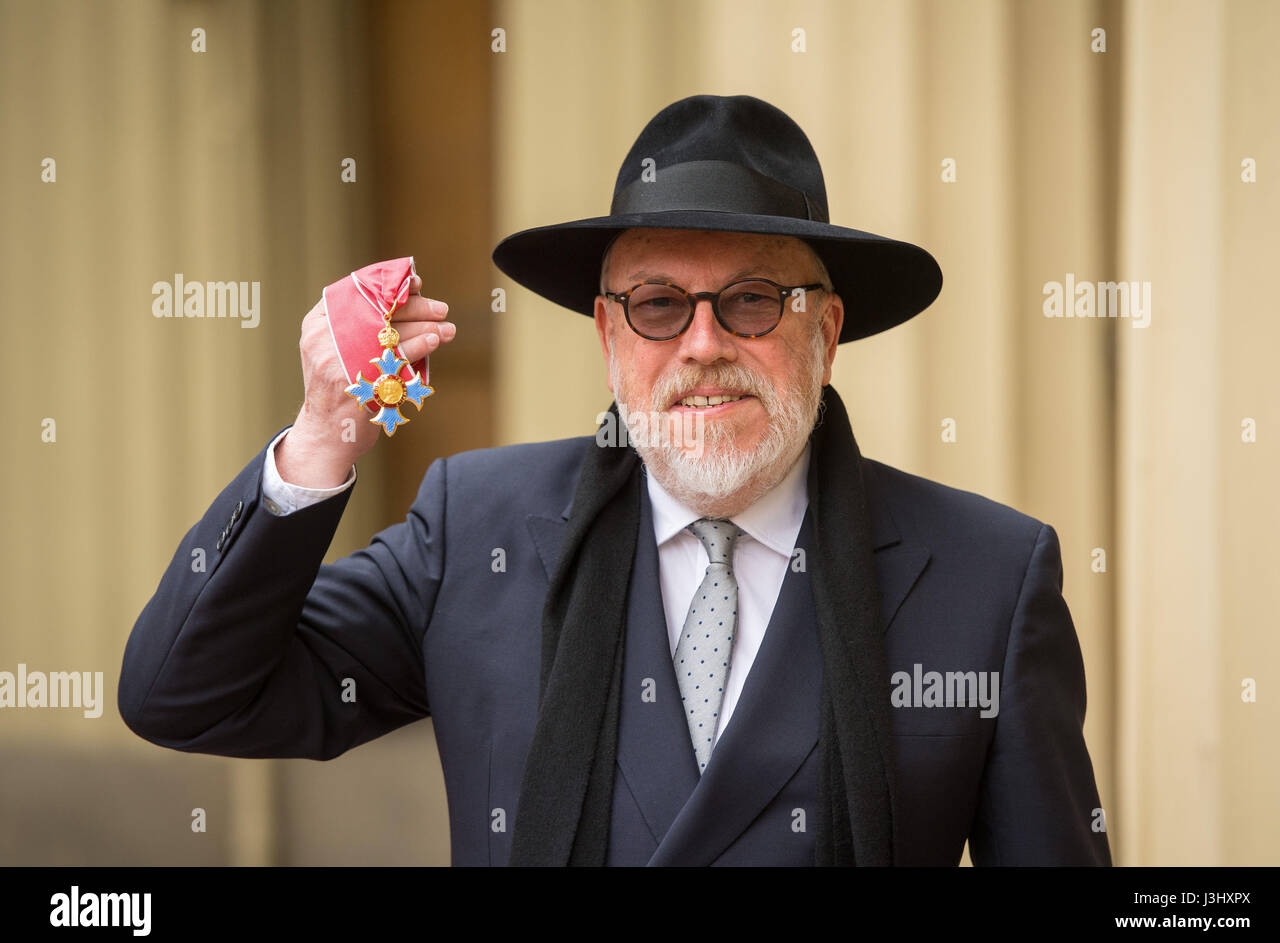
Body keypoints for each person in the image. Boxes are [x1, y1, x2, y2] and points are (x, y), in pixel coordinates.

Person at [119, 94, 1111, 866]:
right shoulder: (478, 529)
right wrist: (321, 439)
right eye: (657, 304)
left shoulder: (986, 576)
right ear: (606, 334)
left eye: (753, 300)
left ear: (827, 328)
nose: (704, 344)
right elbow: (185, 694)